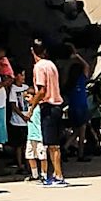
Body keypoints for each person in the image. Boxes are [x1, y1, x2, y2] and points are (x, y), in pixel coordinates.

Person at [26, 41, 66, 186]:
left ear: (33, 51)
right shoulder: (51, 65)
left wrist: (32, 106)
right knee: (54, 144)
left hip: (48, 106)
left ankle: (58, 175)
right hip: (57, 104)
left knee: (51, 144)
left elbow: (42, 90)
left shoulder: (39, 67)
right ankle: (57, 173)